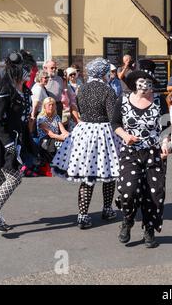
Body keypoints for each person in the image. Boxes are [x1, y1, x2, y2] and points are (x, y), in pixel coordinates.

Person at [51, 58, 120, 229]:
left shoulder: (82, 89)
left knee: (86, 174)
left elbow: (79, 109)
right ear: (103, 73)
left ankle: (82, 215)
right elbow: (112, 117)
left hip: (85, 130)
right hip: (104, 132)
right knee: (108, 172)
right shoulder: (107, 90)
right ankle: (107, 209)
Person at [112, 59, 170, 247]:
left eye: (149, 80)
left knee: (154, 194)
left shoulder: (160, 100)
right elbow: (115, 124)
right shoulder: (122, 99)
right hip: (130, 152)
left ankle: (149, 230)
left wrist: (166, 143)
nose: (145, 84)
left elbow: (167, 126)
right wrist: (125, 136)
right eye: (142, 80)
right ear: (135, 81)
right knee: (128, 191)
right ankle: (128, 220)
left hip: (154, 153)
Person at [0, 52, 35, 233]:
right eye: (26, 69)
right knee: (15, 177)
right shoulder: (5, 89)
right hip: (2, 140)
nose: (29, 73)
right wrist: (8, 143)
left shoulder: (24, 89)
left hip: (16, 138)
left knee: (2, 180)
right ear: (17, 69)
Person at [37, 97, 70, 162]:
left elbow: (63, 131)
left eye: (53, 104)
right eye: (49, 105)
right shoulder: (41, 118)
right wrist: (65, 138)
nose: (51, 106)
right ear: (44, 106)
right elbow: (51, 135)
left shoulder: (56, 117)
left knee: (69, 143)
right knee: (62, 145)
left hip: (56, 138)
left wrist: (70, 136)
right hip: (46, 140)